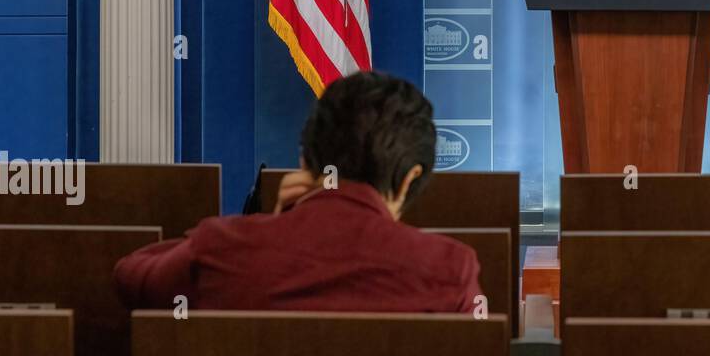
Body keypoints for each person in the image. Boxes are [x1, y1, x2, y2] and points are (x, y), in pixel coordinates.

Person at [114, 71, 484, 314]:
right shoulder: (450, 270)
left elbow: (130, 276)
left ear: (305, 159)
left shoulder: (221, 249)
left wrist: (265, 227)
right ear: (409, 179)